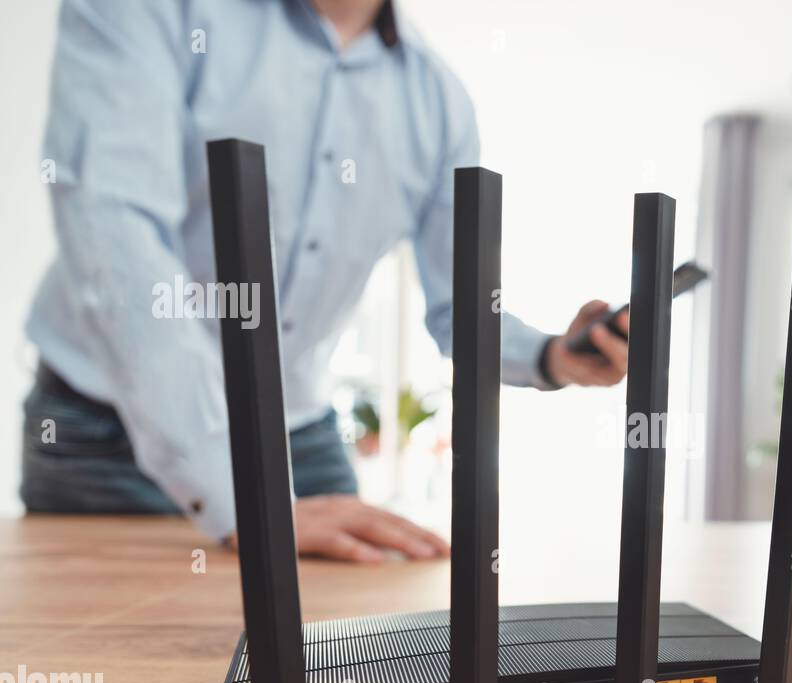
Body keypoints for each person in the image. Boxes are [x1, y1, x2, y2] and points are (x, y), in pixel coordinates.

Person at [22, 0, 630, 563]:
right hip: (107, 434)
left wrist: (551, 357)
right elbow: (116, 236)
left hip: (297, 437)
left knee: (342, 665)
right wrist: (240, 499)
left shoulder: (438, 103)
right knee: (134, 660)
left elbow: (460, 307)